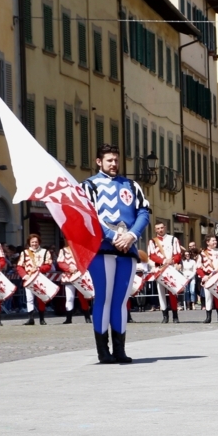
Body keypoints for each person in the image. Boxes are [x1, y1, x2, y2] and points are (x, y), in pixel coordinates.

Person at [81, 144, 151, 363]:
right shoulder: (88, 185)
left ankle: (119, 350)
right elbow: (88, 215)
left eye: (116, 160)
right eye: (109, 160)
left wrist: (131, 235)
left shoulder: (131, 185)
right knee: (103, 298)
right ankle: (103, 351)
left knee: (120, 300)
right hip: (101, 249)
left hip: (127, 248)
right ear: (98, 161)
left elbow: (144, 211)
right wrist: (111, 237)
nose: (114, 164)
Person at [148, 222, 183, 324]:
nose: (160, 230)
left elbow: (178, 254)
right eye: (158, 228)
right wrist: (163, 261)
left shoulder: (173, 239)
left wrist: (172, 260)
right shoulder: (152, 241)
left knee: (173, 291)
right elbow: (152, 255)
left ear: (165, 228)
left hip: (171, 268)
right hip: (160, 269)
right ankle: (165, 315)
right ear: (155, 230)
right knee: (161, 292)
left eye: (162, 228)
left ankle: (175, 316)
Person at [16, 233, 53, 325]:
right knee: (29, 299)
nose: (34, 244)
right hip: (28, 278)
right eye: (32, 242)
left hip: (40, 278)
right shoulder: (24, 253)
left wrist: (40, 269)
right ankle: (31, 319)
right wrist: (24, 275)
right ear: (29, 242)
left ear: (39, 242)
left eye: (36, 242)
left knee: (41, 298)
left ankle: (42, 319)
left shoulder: (45, 252)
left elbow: (48, 265)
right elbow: (19, 267)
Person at [56, 238, 92, 324]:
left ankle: (87, 317)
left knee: (83, 297)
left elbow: (86, 261)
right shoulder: (63, 251)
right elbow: (60, 262)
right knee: (70, 297)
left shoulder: (81, 249)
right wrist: (69, 268)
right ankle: (68, 318)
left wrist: (79, 268)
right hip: (68, 276)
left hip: (80, 276)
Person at [197, 235, 218, 324]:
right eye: (213, 241)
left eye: (215, 240)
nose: (215, 242)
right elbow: (198, 268)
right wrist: (203, 276)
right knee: (208, 297)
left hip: (217, 277)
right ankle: (208, 317)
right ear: (208, 242)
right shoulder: (202, 254)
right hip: (207, 277)